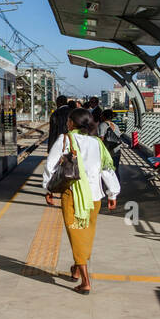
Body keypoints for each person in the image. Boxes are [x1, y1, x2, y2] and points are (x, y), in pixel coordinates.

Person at [43, 109, 120, 295]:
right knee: (87, 235)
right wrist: (112, 194)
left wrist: (48, 188)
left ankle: (85, 281)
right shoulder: (97, 143)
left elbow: (50, 165)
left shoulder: (65, 139)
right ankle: (77, 269)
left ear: (72, 123)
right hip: (95, 197)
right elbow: (107, 169)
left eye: (69, 120)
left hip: (72, 195)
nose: (67, 123)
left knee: (77, 235)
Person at [98, 109, 122, 173]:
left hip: (108, 151)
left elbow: (101, 139)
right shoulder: (116, 125)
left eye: (101, 115)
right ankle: (117, 182)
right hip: (117, 150)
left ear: (104, 116)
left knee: (106, 172)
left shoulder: (102, 125)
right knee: (115, 171)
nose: (100, 116)